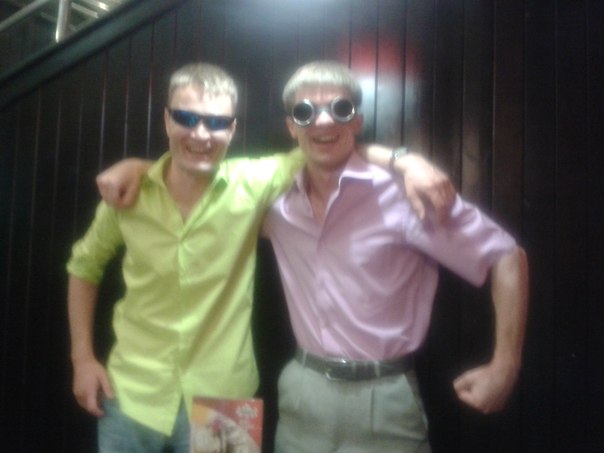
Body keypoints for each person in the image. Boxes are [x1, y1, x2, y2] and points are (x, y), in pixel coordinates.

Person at [68, 62, 454, 453]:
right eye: (187, 118)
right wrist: (82, 358)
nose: (201, 133)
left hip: (225, 400)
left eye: (216, 122)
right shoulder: (127, 195)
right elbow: (84, 266)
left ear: (232, 129)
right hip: (130, 394)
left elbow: (329, 145)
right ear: (167, 121)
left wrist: (406, 160)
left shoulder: (253, 182)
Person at [260, 61, 529, 452]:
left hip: (384, 398)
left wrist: (506, 365)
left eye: (339, 109)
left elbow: (507, 256)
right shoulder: (276, 204)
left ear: (357, 121)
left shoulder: (405, 196)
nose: (323, 121)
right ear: (291, 127)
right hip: (303, 393)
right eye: (306, 112)